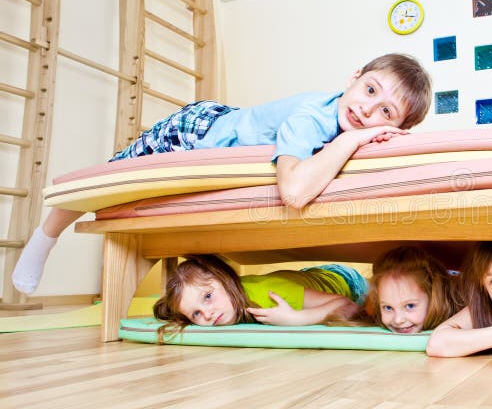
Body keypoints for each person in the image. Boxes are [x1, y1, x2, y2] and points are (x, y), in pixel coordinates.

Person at [13, 53, 433, 295]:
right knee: (107, 181)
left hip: (228, 119)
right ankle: (45, 236)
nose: (366, 110)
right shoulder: (313, 120)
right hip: (194, 131)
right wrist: (351, 142)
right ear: (353, 78)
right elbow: (294, 191)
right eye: (370, 90)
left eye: (385, 113)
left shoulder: (353, 123)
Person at [152, 255, 368, 343]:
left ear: (225, 279)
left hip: (345, 280)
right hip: (305, 278)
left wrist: (296, 318)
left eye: (208, 297)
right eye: (196, 313)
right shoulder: (225, 300)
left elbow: (347, 306)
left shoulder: (269, 294)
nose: (206, 314)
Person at [330, 246, 465, 333]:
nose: (398, 320)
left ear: (435, 297)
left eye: (410, 306)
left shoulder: (461, 304)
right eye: (388, 308)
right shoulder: (372, 308)